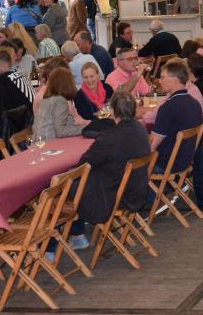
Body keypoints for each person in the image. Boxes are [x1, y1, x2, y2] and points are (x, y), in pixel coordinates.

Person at [62, 91, 152, 253]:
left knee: (64, 187)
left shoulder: (109, 138)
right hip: (137, 189)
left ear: (112, 112)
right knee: (77, 183)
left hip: (114, 195)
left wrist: (63, 176)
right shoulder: (140, 129)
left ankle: (60, 244)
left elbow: (84, 165)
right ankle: (76, 235)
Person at [152, 58, 203, 172]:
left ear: (175, 79)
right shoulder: (194, 103)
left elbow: (152, 146)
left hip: (166, 163)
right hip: (185, 160)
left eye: (163, 77)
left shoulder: (168, 107)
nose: (159, 81)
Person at [33, 67, 86, 141]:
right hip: (49, 144)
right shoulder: (60, 100)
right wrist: (86, 127)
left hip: (39, 142)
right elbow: (61, 132)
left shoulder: (48, 98)